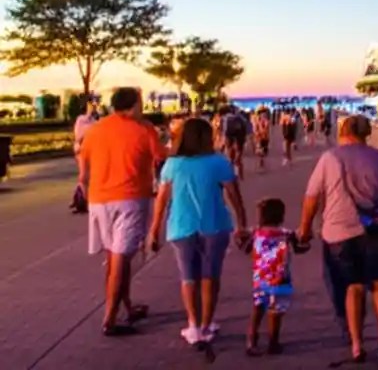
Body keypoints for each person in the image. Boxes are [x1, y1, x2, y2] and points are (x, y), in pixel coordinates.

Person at [298, 115, 378, 363]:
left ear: (343, 131)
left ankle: (357, 345)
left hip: (340, 232)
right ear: (367, 132)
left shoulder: (330, 158)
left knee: (354, 287)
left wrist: (304, 229)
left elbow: (312, 197)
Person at [147, 117, 249, 348]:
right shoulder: (219, 162)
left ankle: (193, 324)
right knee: (210, 277)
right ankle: (207, 323)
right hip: (215, 225)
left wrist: (154, 231)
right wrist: (242, 223)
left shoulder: (172, 165)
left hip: (181, 227)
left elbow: (161, 200)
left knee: (188, 277)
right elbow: (234, 195)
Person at [79, 86, 166, 336]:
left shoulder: (95, 130)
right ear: (132, 106)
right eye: (140, 102)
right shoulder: (143, 129)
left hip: (99, 201)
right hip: (129, 200)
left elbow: (83, 164)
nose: (143, 107)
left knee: (116, 257)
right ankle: (110, 318)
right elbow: (161, 156)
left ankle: (125, 307)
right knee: (120, 258)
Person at [240, 197, 310, 356]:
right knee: (276, 311)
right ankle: (273, 342)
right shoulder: (286, 234)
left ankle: (251, 340)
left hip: (261, 278)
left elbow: (245, 248)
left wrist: (241, 237)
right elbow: (300, 248)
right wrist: (307, 242)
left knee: (258, 307)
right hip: (281, 278)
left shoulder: (256, 233)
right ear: (281, 216)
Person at [70, 97, 99, 214]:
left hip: (93, 150)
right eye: (91, 104)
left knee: (90, 176)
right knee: (84, 175)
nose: (94, 106)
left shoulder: (95, 120)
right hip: (82, 150)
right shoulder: (81, 120)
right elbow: (79, 135)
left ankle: (83, 199)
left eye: (95, 104)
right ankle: (83, 200)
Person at [221, 107, 250, 179]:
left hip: (229, 138)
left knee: (230, 158)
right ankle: (239, 175)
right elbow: (245, 130)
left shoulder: (224, 119)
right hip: (239, 139)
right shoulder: (241, 118)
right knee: (238, 159)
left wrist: (222, 143)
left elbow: (223, 131)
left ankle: (231, 174)